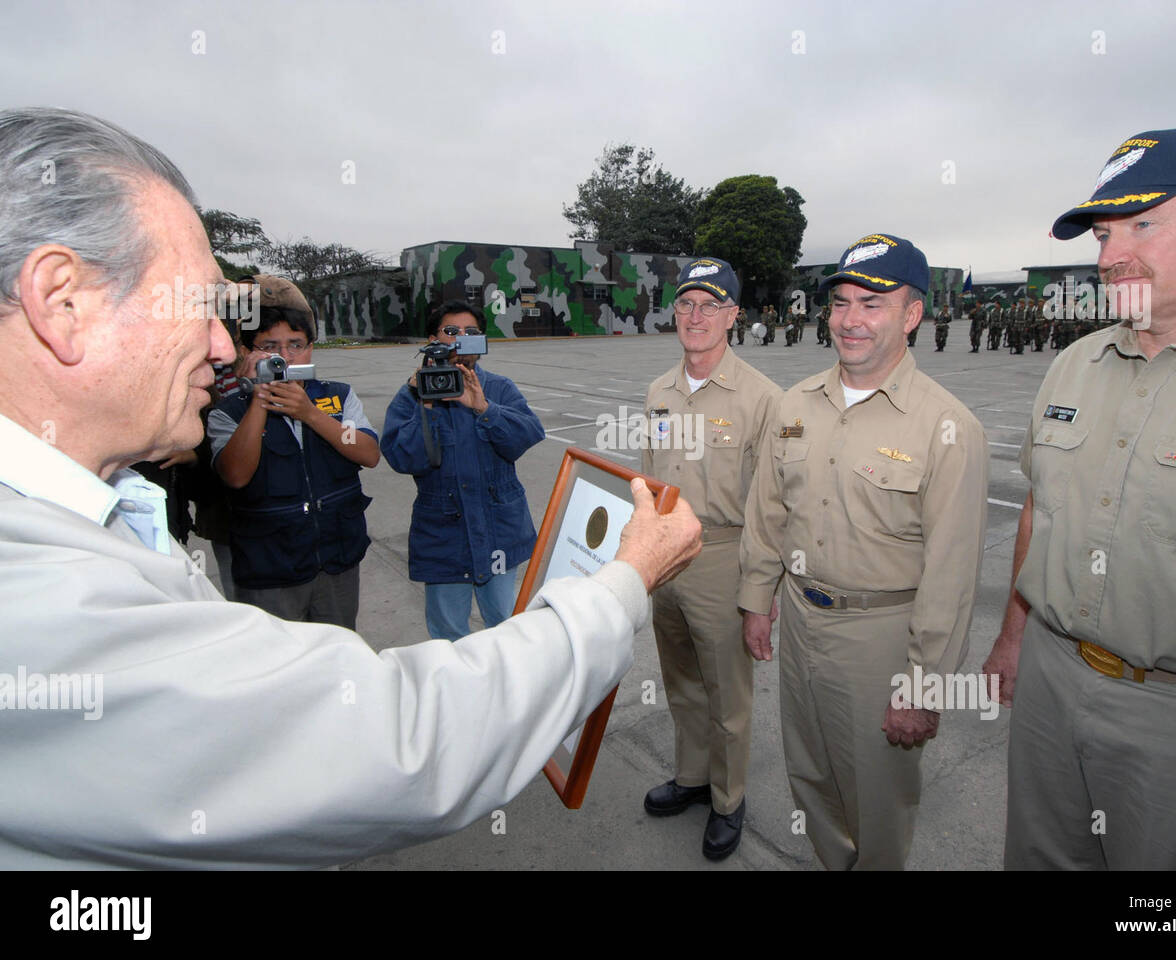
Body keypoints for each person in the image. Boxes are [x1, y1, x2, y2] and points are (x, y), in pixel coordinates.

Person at [0, 106, 702, 868]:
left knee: (494, 624)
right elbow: (396, 741)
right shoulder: (41, 593)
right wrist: (624, 581)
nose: (223, 348)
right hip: (421, 548)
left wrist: (475, 405)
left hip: (490, 539)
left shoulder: (98, 518)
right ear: (60, 300)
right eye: (201, 304)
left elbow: (493, 441)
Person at [983, 126, 1176, 871]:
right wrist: (1013, 637)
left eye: (1141, 225)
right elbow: (1040, 510)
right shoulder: (1074, 366)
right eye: (1102, 233)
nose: (1108, 256)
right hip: (1052, 691)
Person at [739, 233, 988, 869]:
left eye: (873, 304)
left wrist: (923, 685)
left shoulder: (947, 427)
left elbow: (952, 574)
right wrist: (755, 601)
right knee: (809, 776)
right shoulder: (794, 405)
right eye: (842, 302)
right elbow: (768, 512)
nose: (851, 320)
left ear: (912, 315)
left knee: (879, 796)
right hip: (800, 622)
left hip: (881, 637)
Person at [641, 258, 781, 861]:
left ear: (732, 315)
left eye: (710, 305)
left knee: (728, 694)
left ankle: (728, 799)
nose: (696, 316)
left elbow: (773, 509)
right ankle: (692, 776)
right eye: (686, 304)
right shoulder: (659, 391)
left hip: (724, 556)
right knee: (681, 681)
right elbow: (647, 478)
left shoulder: (763, 399)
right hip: (666, 556)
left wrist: (760, 595)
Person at [208, 274, 379, 630]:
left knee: (339, 653)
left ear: (311, 347)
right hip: (270, 569)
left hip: (336, 559)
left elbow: (367, 453)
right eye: (270, 345)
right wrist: (260, 400)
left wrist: (311, 414)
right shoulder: (228, 411)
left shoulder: (337, 396)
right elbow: (236, 475)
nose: (284, 356)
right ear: (247, 352)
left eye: (296, 344)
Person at [380, 300, 544, 641]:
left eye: (470, 333)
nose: (460, 339)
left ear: (481, 342)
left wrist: (484, 408)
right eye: (451, 332)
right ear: (432, 340)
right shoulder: (412, 393)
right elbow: (402, 457)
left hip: (498, 530)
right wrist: (426, 400)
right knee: (448, 634)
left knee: (507, 626)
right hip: (443, 537)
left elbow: (527, 435)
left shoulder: (498, 388)